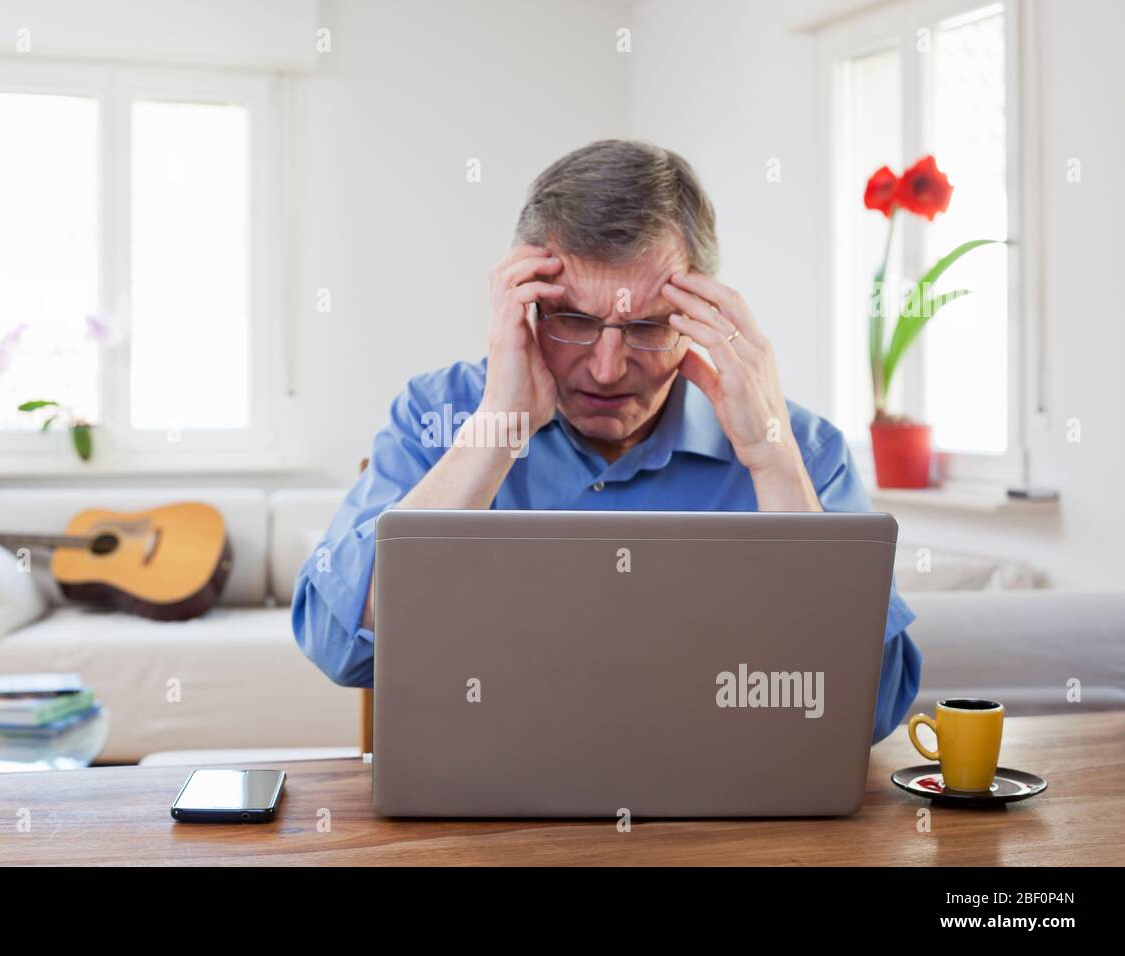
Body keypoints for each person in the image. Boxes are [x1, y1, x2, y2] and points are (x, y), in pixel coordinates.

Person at [292, 139, 920, 743]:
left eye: (646, 326)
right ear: (523, 303)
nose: (607, 368)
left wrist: (772, 462)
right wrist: (495, 433)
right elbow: (336, 644)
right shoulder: (440, 415)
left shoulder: (798, 450)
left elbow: (868, 709)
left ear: (705, 311)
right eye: (573, 321)